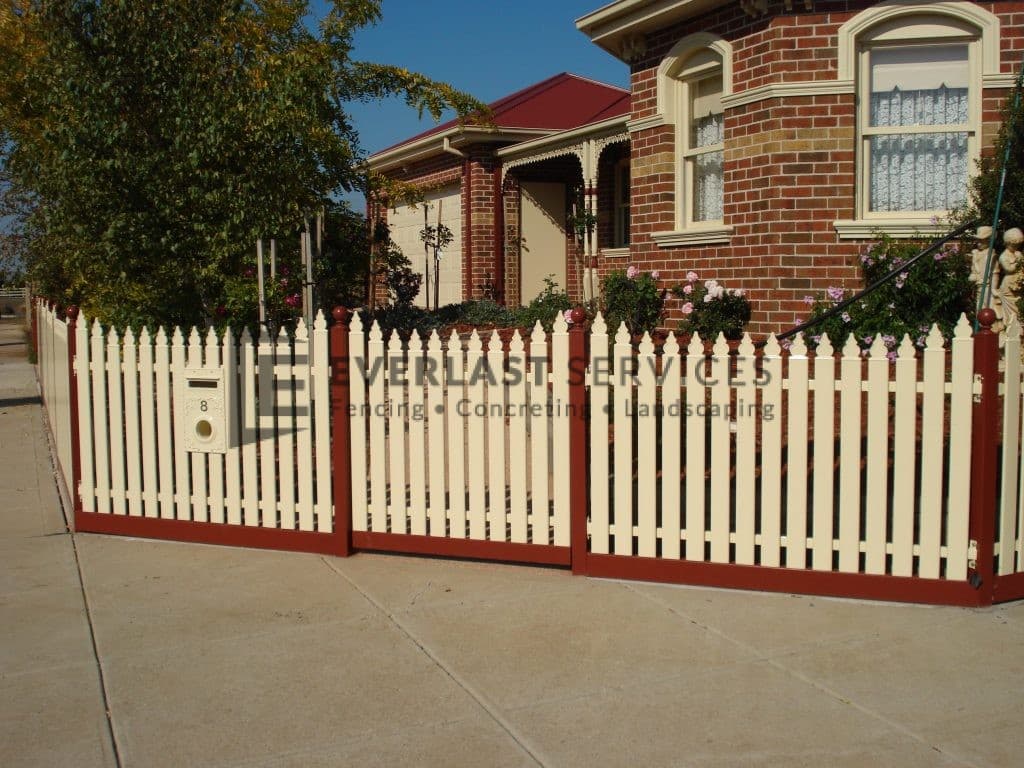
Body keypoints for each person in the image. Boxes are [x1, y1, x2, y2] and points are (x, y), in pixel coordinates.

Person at [996, 227, 1024, 332]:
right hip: (1008, 285)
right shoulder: (1003, 256)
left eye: (1018, 245)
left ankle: (1019, 330)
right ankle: (1012, 329)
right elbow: (1009, 269)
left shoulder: (1018, 254)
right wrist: (1018, 261)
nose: (1016, 247)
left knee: (1019, 308)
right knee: (1011, 311)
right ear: (1008, 243)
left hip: (1018, 283)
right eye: (1014, 245)